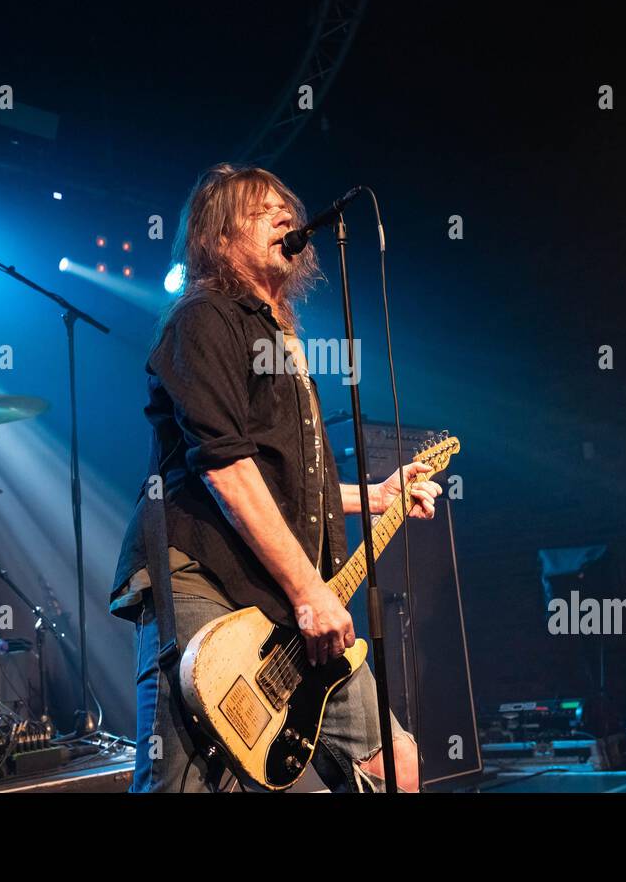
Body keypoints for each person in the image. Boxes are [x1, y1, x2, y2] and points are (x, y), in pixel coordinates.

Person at [111, 164, 441, 792]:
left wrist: (375, 498)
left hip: (280, 586)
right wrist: (311, 591)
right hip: (201, 572)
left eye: (287, 208)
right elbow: (225, 466)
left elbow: (285, 482)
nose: (287, 217)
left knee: (393, 762)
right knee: (185, 781)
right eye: (262, 210)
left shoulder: (282, 337)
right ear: (218, 235)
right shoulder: (204, 318)